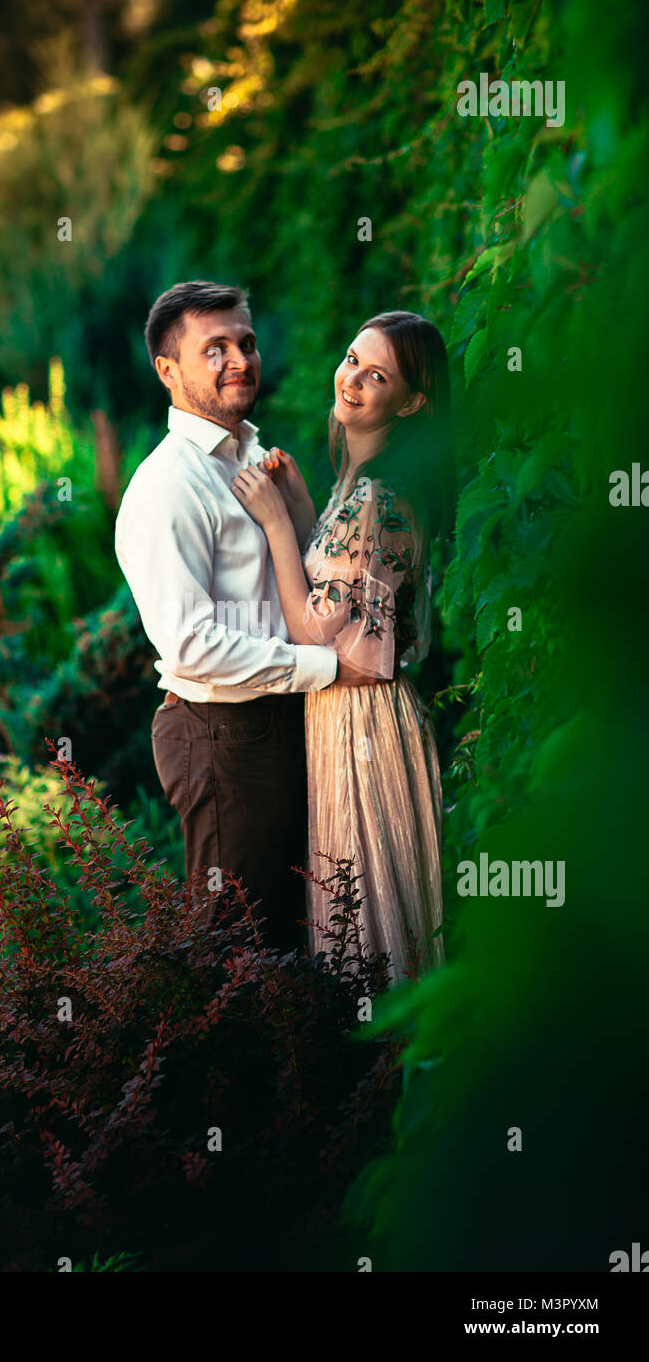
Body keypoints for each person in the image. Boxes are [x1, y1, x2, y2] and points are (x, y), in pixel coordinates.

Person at [114, 280, 366, 952]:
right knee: (242, 947)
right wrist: (323, 668)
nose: (239, 360)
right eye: (214, 348)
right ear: (168, 370)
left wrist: (301, 511)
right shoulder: (168, 487)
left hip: (285, 715)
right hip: (224, 736)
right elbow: (191, 643)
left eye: (246, 343)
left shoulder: (254, 457)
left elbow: (300, 587)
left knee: (305, 927)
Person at [231, 311, 450, 983]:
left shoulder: (381, 494)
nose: (352, 379)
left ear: (411, 402)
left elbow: (319, 635)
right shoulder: (356, 486)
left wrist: (274, 526)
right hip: (345, 726)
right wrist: (303, 511)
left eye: (376, 375)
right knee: (357, 937)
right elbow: (343, 597)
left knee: (373, 950)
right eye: (352, 358)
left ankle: (400, 1082)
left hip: (367, 730)